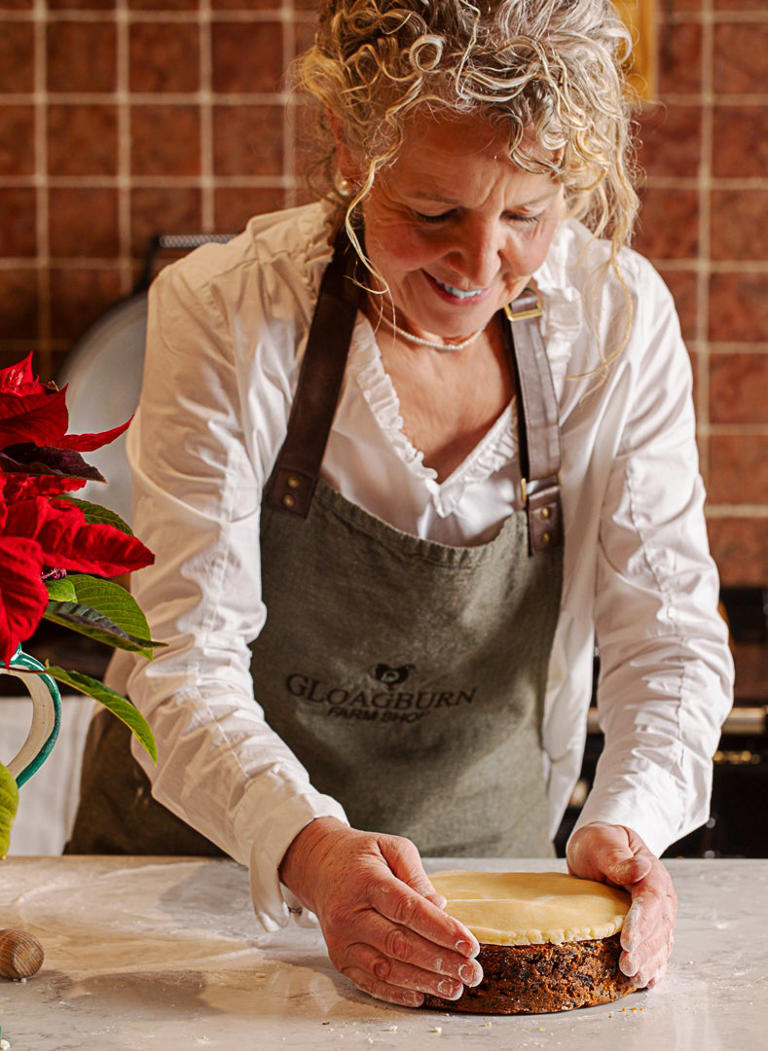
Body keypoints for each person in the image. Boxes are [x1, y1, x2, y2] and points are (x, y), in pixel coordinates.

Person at [68, 0, 732, 1008]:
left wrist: (629, 821)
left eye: (527, 217)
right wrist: (313, 851)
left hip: (486, 914)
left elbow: (671, 633)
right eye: (432, 213)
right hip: (192, 903)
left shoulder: (620, 321)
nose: (478, 267)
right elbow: (183, 653)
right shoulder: (226, 309)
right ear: (349, 146)